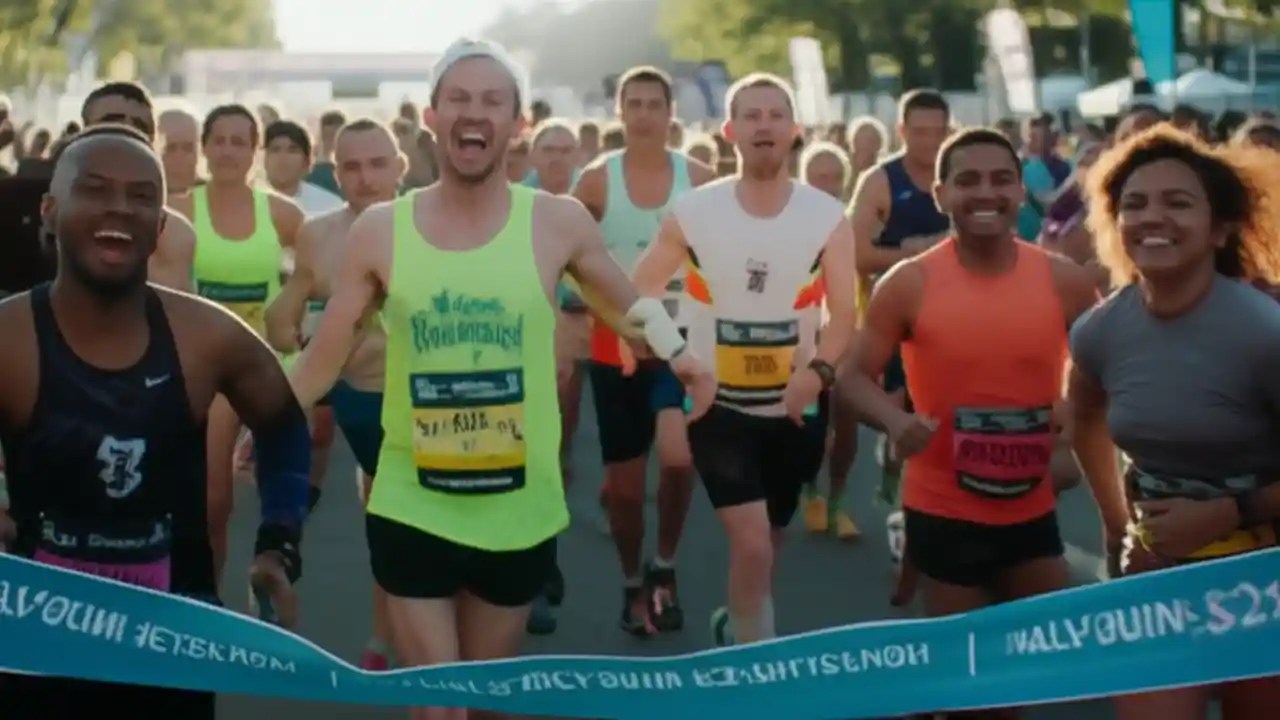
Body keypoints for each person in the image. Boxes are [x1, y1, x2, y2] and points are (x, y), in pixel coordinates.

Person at [286, 40, 711, 720]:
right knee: (441, 708)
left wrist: (681, 355)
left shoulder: (557, 221)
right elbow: (324, 355)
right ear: (432, 116)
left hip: (517, 509)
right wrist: (264, 413)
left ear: (517, 123)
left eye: (492, 101)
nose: (473, 112)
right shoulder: (382, 230)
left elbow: (626, 304)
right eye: (458, 98)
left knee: (484, 705)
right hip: (412, 500)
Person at [0, 124, 308, 719]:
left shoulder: (208, 338)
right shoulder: (10, 339)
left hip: (171, 643)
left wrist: (278, 546)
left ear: (161, 226)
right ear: (50, 209)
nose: (119, 208)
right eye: (95, 189)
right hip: (39, 643)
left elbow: (283, 427)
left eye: (142, 196)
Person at [844, 129, 1097, 719]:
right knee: (976, 695)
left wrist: (1071, 419)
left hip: (1033, 513)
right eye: (968, 181)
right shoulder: (908, 283)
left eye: (1001, 179)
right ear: (941, 194)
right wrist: (893, 420)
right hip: (944, 513)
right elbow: (853, 378)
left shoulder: (1064, 281)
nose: (986, 193)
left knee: (1038, 678)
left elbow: (1109, 372)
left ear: (1021, 191)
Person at [633, 73, 856, 647]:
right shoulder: (694, 211)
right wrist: (681, 359)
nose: (764, 125)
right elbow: (639, 294)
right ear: (729, 131)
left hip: (796, 409)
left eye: (775, 115)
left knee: (767, 544)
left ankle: (738, 626)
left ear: (795, 130)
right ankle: (754, 666)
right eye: (751, 115)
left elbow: (844, 318)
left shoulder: (827, 215)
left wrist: (817, 376)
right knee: (753, 544)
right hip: (719, 407)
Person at [1070, 126, 1280, 720]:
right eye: (1134, 204)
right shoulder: (1099, 331)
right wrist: (1117, 523)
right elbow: (1084, 417)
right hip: (1157, 571)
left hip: (1265, 579)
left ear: (1219, 230)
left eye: (1178, 202)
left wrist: (1231, 513)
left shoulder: (1264, 332)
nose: (1152, 217)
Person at [573, 64, 717, 635]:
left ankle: (666, 564)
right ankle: (632, 579)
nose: (643, 115)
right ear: (620, 112)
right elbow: (571, 263)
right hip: (618, 349)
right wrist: (607, 319)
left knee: (679, 458)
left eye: (654, 104)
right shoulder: (595, 182)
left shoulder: (700, 179)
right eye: (633, 104)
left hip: (682, 348)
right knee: (626, 495)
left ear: (670, 112)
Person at [264, 117, 405, 670]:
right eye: (352, 166)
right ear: (334, 171)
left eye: (377, 164)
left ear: (400, 167)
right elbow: (284, 315)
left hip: (416, 402)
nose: (365, 178)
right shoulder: (318, 233)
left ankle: (389, 642)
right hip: (354, 400)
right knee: (381, 518)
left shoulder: (430, 227)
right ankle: (391, 633)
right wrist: (294, 336)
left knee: (403, 522)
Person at [168, 104, 304, 595]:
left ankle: (270, 579)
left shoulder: (283, 215)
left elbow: (316, 279)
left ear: (254, 151)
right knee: (214, 502)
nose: (227, 151)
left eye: (239, 142)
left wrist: (298, 330)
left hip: (269, 368)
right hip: (207, 370)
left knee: (283, 495)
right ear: (204, 148)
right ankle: (211, 597)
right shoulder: (179, 211)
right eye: (218, 141)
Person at [847, 89, 952, 604]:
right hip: (894, 322)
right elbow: (855, 253)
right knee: (898, 424)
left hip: (952, 324)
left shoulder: (961, 174)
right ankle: (898, 490)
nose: (929, 142)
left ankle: (921, 521)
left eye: (938, 132)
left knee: (938, 424)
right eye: (919, 132)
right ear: (902, 131)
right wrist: (909, 255)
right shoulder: (881, 181)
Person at [797, 141, 861, 541]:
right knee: (813, 427)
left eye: (835, 177)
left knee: (847, 424)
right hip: (805, 339)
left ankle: (838, 501)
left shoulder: (848, 223)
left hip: (848, 332)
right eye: (819, 177)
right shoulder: (786, 222)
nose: (828, 184)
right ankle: (811, 493)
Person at [79, 82, 197, 292]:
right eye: (112, 122)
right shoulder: (52, 216)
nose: (128, 133)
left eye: (140, 127)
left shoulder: (176, 236)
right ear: (82, 134)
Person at [262, 120, 344, 215]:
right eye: (275, 150)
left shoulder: (330, 205)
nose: (283, 157)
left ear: (306, 160)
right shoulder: (249, 203)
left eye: (292, 151)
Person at [157, 107, 202, 196]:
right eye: (170, 148)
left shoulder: (212, 197)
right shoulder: (140, 198)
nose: (179, 158)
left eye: (187, 148)